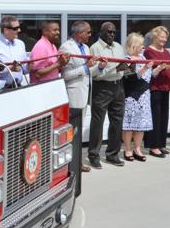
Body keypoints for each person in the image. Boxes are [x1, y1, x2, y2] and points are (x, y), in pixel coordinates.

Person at [60, 21, 96, 193]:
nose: (90, 35)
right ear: (78, 33)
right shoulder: (66, 48)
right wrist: (85, 67)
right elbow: (65, 75)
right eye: (87, 32)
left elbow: (89, 72)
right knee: (72, 131)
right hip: (74, 94)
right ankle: (69, 164)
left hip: (85, 93)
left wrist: (97, 67)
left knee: (79, 131)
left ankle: (77, 161)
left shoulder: (86, 48)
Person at [89, 22, 129, 168]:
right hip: (102, 87)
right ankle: (94, 156)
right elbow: (92, 72)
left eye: (113, 32)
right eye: (109, 32)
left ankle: (112, 154)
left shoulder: (118, 47)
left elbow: (122, 68)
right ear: (101, 32)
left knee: (117, 122)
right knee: (97, 123)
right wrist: (113, 69)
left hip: (118, 86)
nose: (112, 34)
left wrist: (126, 68)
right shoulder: (95, 48)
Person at [120, 33, 155, 161]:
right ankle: (127, 149)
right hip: (131, 97)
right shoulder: (127, 59)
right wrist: (146, 67)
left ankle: (137, 148)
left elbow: (151, 75)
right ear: (134, 45)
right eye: (140, 44)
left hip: (145, 96)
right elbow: (131, 78)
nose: (143, 46)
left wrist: (159, 68)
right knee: (129, 125)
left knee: (141, 124)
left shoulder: (143, 57)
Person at [143, 26, 170, 157]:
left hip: (166, 87)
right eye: (162, 36)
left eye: (166, 37)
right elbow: (151, 73)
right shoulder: (148, 51)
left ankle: (161, 144)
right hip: (155, 87)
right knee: (155, 117)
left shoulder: (166, 52)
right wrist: (160, 67)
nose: (164, 39)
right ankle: (153, 146)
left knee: (163, 116)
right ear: (155, 37)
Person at [0, 15, 28, 87]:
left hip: (18, 86)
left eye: (19, 27)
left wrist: (30, 66)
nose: (19, 30)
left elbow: (23, 69)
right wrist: (9, 68)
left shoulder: (20, 44)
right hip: (1, 89)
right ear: (6, 30)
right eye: (15, 28)